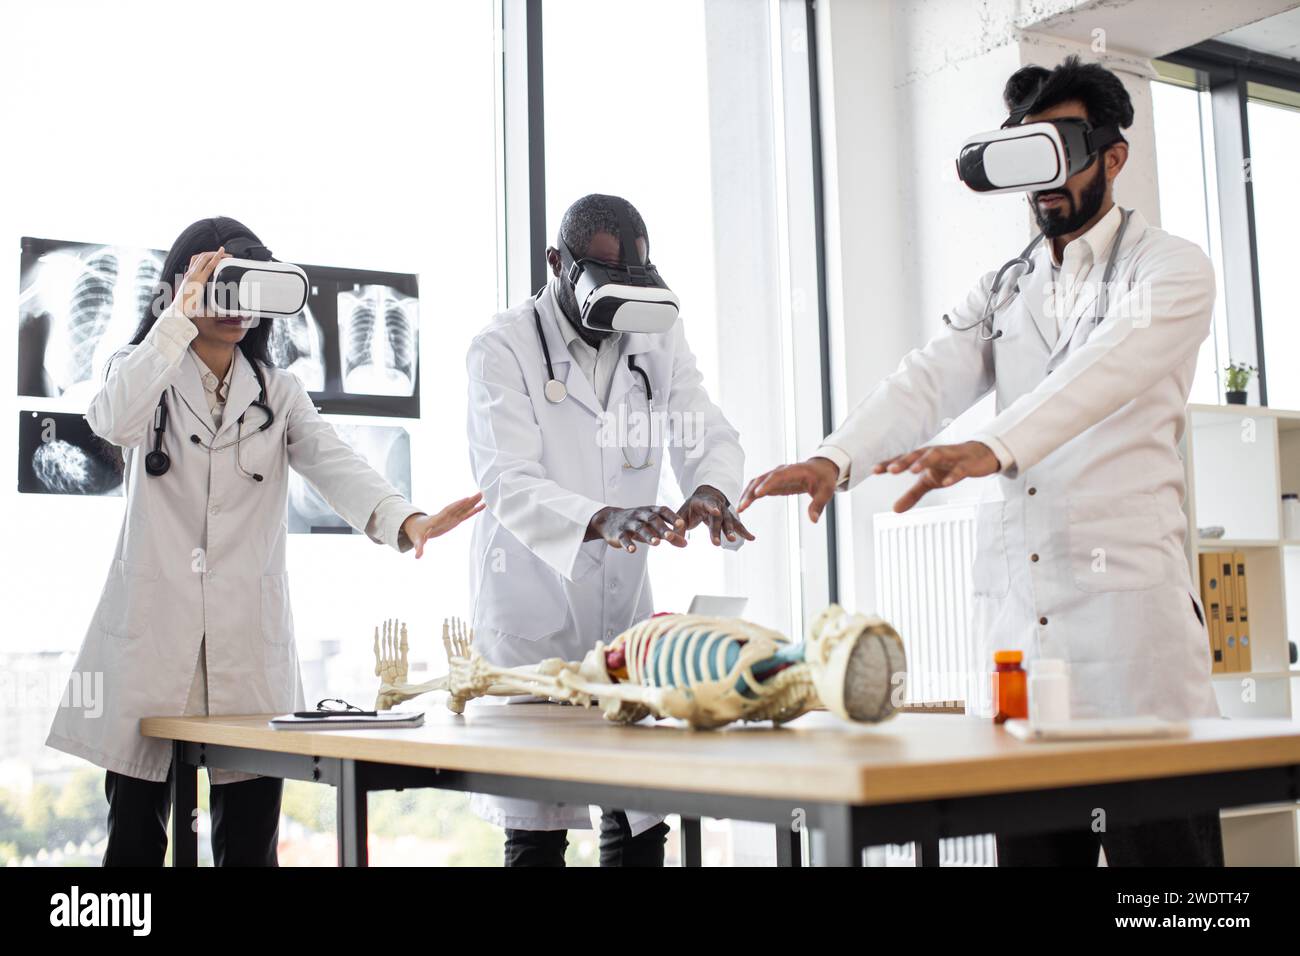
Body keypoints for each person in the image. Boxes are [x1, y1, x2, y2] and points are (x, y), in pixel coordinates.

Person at [739, 57, 1223, 866]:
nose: (1044, 186)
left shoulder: (1171, 268)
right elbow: (927, 379)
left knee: (1173, 903)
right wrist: (837, 458)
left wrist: (992, 444)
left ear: (1112, 156)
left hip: (1135, 651)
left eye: (1061, 150)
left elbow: (1098, 375)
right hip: (1022, 652)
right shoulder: (1006, 285)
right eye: (1025, 155)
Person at [46, 217, 484, 866]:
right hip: (151, 650)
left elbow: (339, 467)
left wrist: (407, 521)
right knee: (133, 851)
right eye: (222, 287)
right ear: (182, 288)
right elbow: (109, 418)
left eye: (251, 289)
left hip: (247, 654)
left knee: (250, 850)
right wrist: (177, 316)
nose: (237, 307)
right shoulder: (144, 375)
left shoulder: (278, 395)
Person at [465, 194, 752, 866]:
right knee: (537, 833)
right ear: (555, 264)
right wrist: (601, 518)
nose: (617, 301)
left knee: (641, 820)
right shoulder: (501, 347)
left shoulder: (653, 330)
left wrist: (709, 487)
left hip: (623, 614)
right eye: (599, 279)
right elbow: (507, 480)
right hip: (534, 615)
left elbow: (703, 423)